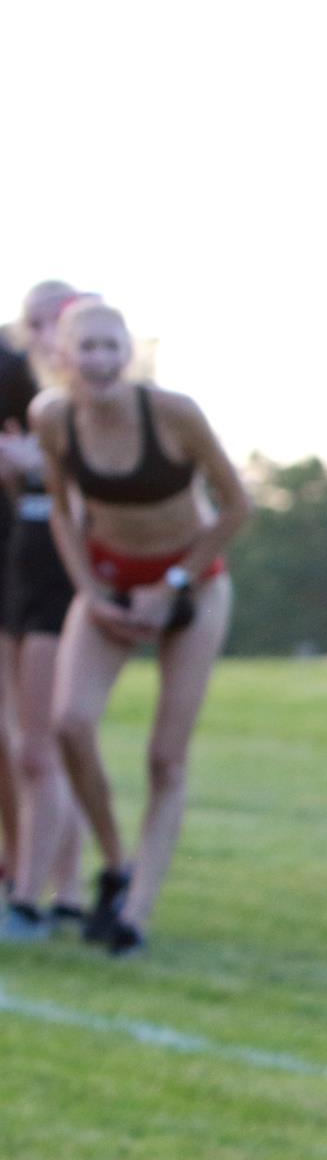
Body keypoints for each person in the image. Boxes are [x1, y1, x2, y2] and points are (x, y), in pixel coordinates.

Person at [20, 298, 250, 955]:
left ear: (128, 351)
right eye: (83, 347)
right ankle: (115, 865)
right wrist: (91, 592)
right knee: (70, 723)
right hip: (110, 588)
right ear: (61, 357)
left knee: (163, 757)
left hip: (191, 588)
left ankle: (135, 914)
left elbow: (237, 506)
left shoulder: (173, 414)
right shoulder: (53, 418)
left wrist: (170, 586)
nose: (97, 359)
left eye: (108, 346)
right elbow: (63, 511)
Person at [0, 281, 89, 935]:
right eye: (31, 319)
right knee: (27, 742)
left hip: (64, 573)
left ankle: (43, 895)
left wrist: (39, 467)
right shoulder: (25, 392)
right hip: (20, 563)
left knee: (45, 743)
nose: (38, 330)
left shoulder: (91, 400)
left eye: (50, 319)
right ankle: (60, 888)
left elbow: (93, 491)